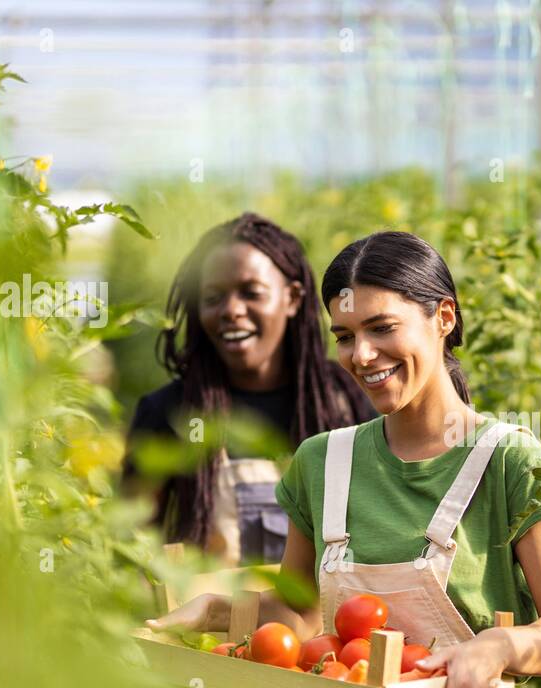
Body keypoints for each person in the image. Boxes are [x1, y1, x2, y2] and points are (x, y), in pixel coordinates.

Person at [148, 230, 541, 688]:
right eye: (345, 336)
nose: (362, 355)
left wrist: (497, 646)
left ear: (444, 317)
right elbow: (301, 620)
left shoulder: (509, 461)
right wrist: (223, 611)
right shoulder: (322, 462)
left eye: (382, 328)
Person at [123, 213, 374, 566]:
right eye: (213, 297)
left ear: (293, 298)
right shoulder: (170, 413)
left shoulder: (346, 402)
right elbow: (130, 548)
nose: (231, 310)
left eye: (251, 293)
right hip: (202, 621)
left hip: (324, 622)